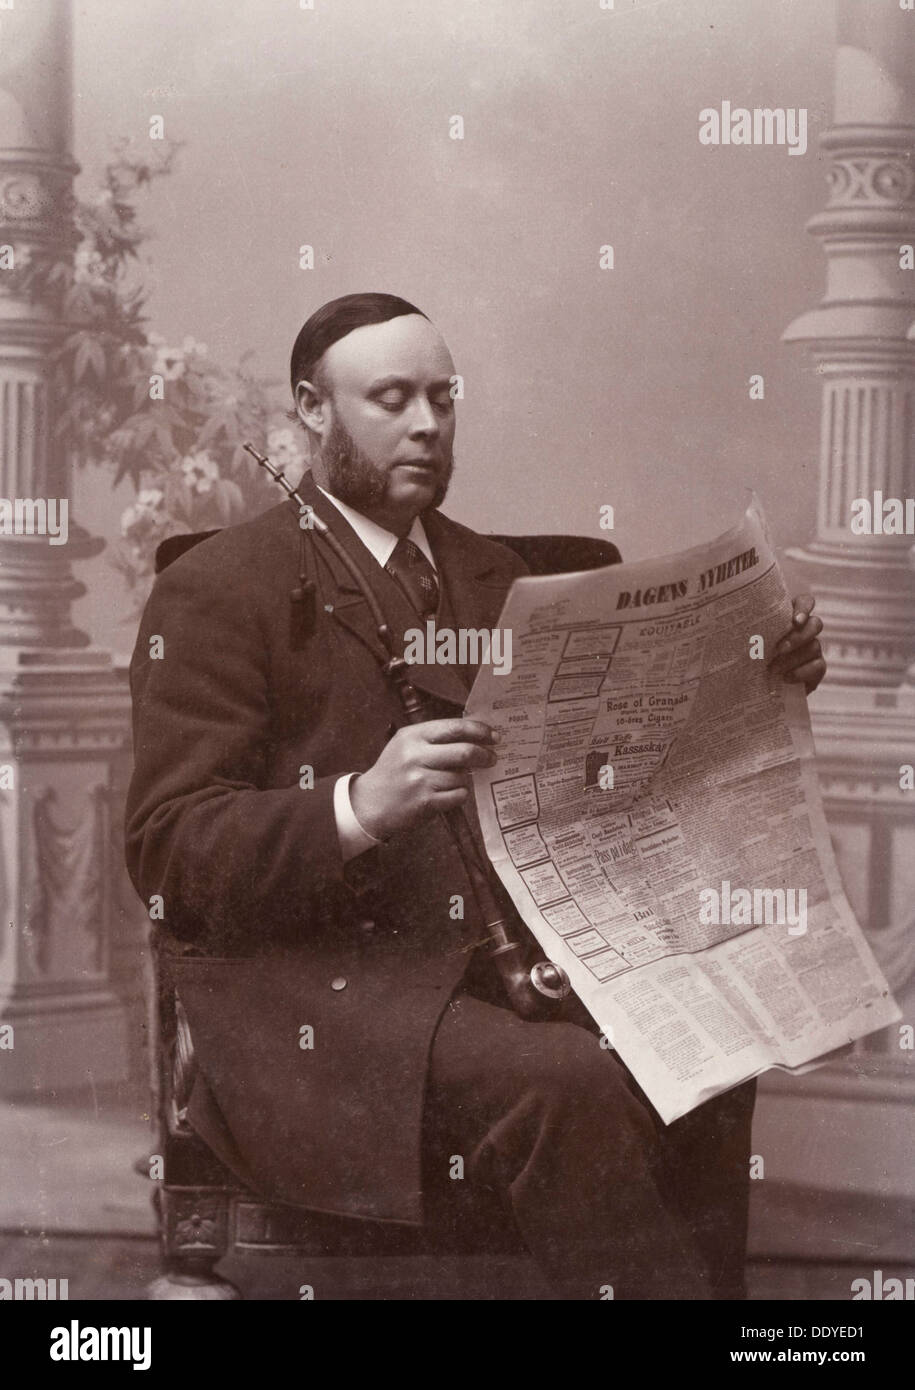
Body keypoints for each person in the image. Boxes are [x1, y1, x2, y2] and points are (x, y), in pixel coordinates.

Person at [125, 292, 827, 1299]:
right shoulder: (220, 587)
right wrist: (360, 803)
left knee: (712, 1047)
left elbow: (630, 769)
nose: (426, 424)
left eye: (443, 398)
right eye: (392, 398)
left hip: (503, 968)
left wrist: (764, 671)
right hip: (312, 999)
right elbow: (167, 851)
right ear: (310, 411)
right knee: (565, 1081)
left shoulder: (506, 582)